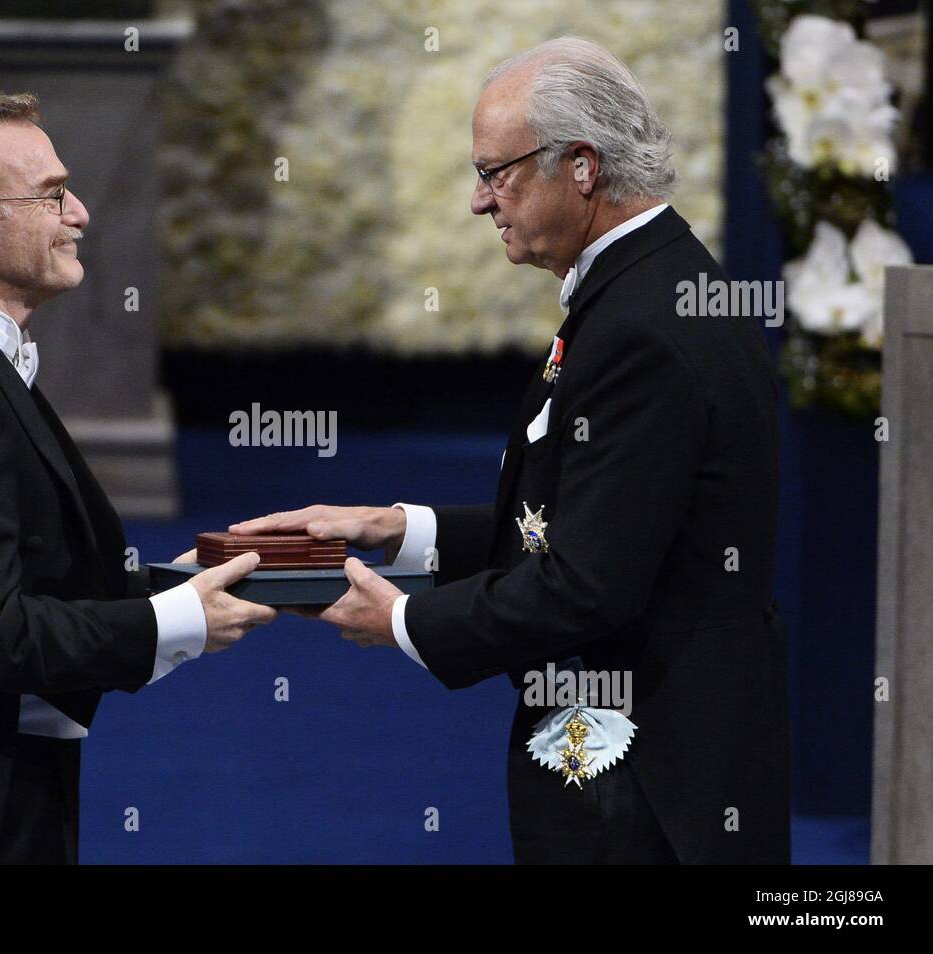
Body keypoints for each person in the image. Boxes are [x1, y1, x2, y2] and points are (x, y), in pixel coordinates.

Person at [232, 38, 789, 864]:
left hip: (643, 788)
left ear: (583, 167)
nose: (478, 202)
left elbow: (589, 586)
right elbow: (585, 514)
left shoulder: (641, 327)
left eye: (496, 173)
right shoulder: (650, 284)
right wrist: (399, 527)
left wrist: (405, 619)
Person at [0, 91, 275, 864]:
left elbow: (35, 576)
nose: (80, 213)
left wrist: (182, 590)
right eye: (49, 195)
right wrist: (175, 623)